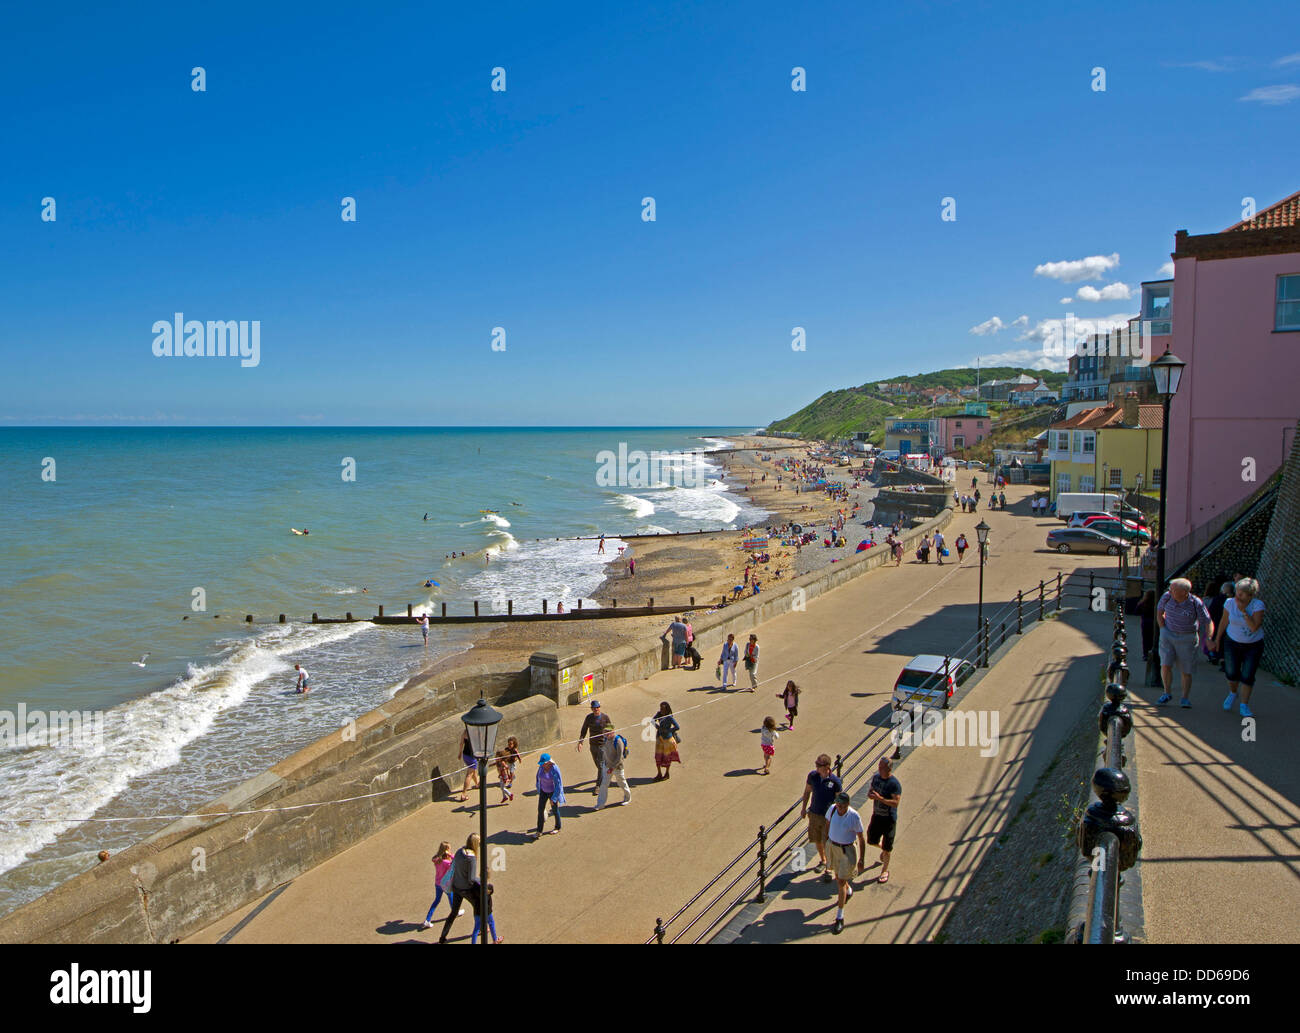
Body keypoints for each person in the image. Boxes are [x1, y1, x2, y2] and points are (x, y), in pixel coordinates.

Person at [1155, 577, 1213, 708]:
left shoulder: (1195, 602)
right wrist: (1162, 627)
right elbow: (1159, 611)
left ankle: (1185, 698)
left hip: (1188, 637)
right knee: (1165, 664)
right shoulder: (1167, 597)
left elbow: (1208, 621)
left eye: (1173, 589)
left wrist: (1209, 638)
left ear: (1183, 592)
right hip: (1168, 634)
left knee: (1186, 669)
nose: (1170, 591)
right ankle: (1166, 693)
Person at [1214, 577, 1265, 718]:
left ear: (1250, 595)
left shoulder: (1257, 605)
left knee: (1247, 676)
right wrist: (1217, 639)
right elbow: (1224, 621)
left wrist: (1243, 611)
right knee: (1231, 673)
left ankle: (1244, 704)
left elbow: (1254, 627)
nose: (1238, 596)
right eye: (1237, 592)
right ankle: (1233, 693)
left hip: (1253, 645)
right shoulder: (1229, 603)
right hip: (1232, 642)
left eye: (1241, 594)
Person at [825, 791, 866, 934]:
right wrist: (826, 843)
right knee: (838, 877)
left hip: (846, 851)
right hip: (832, 846)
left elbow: (861, 838)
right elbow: (828, 824)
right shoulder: (832, 809)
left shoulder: (854, 816)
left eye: (842, 806)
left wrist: (861, 859)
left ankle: (839, 917)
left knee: (840, 881)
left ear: (848, 804)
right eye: (838, 805)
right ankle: (848, 890)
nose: (840, 808)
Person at [801, 755, 842, 881]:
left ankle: (829, 868)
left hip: (828, 817)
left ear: (827, 767)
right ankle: (823, 860)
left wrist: (838, 816)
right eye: (816, 764)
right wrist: (804, 808)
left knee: (827, 842)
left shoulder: (835, 781)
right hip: (814, 813)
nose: (816, 767)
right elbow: (807, 791)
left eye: (819, 765)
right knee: (817, 839)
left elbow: (839, 800)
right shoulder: (813, 776)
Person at [437, 833, 480, 943]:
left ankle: (442, 937)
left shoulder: (459, 851)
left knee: (453, 912)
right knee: (478, 906)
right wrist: (480, 880)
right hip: (466, 889)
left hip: (456, 887)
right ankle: (479, 928)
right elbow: (471, 879)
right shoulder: (472, 858)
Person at [866, 757, 902, 884]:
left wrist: (880, 798)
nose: (879, 769)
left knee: (888, 847)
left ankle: (884, 870)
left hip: (889, 819)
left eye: (882, 768)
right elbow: (871, 791)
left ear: (889, 769)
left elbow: (896, 802)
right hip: (877, 815)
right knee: (871, 840)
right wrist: (871, 795)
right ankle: (883, 849)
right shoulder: (876, 778)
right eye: (879, 766)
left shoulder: (894, 784)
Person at [421, 840, 463, 928]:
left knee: (437, 900)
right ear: (446, 850)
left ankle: (427, 920)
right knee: (452, 897)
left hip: (437, 883)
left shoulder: (436, 859)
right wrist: (451, 855)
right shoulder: (447, 863)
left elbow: (434, 858)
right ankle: (455, 911)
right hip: (446, 884)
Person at [577, 700, 612, 787]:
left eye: (597, 707)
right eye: (594, 708)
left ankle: (598, 785)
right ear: (591, 709)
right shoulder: (589, 718)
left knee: (600, 765)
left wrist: (611, 741)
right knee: (597, 764)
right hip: (593, 744)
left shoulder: (605, 717)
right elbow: (584, 730)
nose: (596, 709)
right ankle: (605, 773)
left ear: (600, 708)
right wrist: (580, 742)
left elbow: (611, 730)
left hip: (602, 745)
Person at [596, 726, 631, 808]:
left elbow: (619, 758)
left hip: (617, 767)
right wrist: (604, 764)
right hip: (607, 766)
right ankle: (600, 804)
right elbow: (604, 752)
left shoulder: (618, 741)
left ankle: (627, 798)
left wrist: (612, 768)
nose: (606, 734)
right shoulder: (605, 740)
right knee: (604, 784)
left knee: (621, 782)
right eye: (605, 732)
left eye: (608, 732)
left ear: (613, 732)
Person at [531, 753, 566, 837]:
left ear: (548, 762)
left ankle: (558, 827)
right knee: (540, 810)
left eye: (543, 763)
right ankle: (539, 831)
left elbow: (558, 785)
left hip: (553, 792)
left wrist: (554, 798)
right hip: (543, 791)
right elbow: (538, 778)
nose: (542, 765)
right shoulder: (541, 768)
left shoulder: (555, 769)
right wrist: (539, 789)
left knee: (554, 809)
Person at [652, 702, 681, 779]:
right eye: (660, 708)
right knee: (658, 756)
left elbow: (677, 727)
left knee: (667, 757)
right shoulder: (659, 714)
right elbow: (652, 720)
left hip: (668, 739)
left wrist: (668, 730)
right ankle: (659, 773)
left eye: (662, 709)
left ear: (666, 710)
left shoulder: (669, 717)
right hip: (659, 738)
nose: (661, 710)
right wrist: (657, 727)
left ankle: (667, 773)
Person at [455, 729, 479, 802]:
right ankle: (464, 794)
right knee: (469, 774)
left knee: (473, 770)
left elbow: (461, 743)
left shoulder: (466, 731)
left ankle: (477, 784)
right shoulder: (476, 732)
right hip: (472, 756)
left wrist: (459, 753)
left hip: (465, 755)